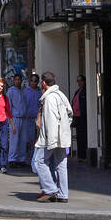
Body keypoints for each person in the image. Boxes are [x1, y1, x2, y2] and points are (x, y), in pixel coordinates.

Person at [33, 72, 73, 203]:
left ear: (44, 83)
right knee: (61, 164)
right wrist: (65, 129)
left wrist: (51, 141)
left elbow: (50, 121)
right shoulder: (61, 95)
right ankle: (63, 194)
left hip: (51, 138)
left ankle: (50, 190)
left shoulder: (50, 98)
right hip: (62, 137)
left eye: (41, 83)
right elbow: (70, 114)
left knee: (39, 161)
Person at [7, 74, 28, 166]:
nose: (18, 81)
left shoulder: (23, 91)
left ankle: (21, 159)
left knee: (23, 139)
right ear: (14, 80)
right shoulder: (10, 91)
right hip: (15, 118)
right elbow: (9, 106)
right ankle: (12, 159)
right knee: (14, 139)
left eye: (19, 80)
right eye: (16, 80)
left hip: (23, 118)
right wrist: (10, 120)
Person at [23, 74, 42, 164]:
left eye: (35, 81)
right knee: (29, 139)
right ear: (29, 81)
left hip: (38, 119)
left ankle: (35, 159)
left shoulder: (40, 92)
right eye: (32, 80)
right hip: (28, 118)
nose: (33, 83)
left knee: (37, 139)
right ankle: (29, 158)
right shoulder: (26, 91)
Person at [72, 75, 88, 162]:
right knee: (79, 136)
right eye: (77, 81)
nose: (79, 83)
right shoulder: (77, 92)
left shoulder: (85, 91)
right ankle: (80, 155)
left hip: (83, 116)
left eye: (80, 81)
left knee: (83, 136)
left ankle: (83, 155)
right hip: (77, 116)